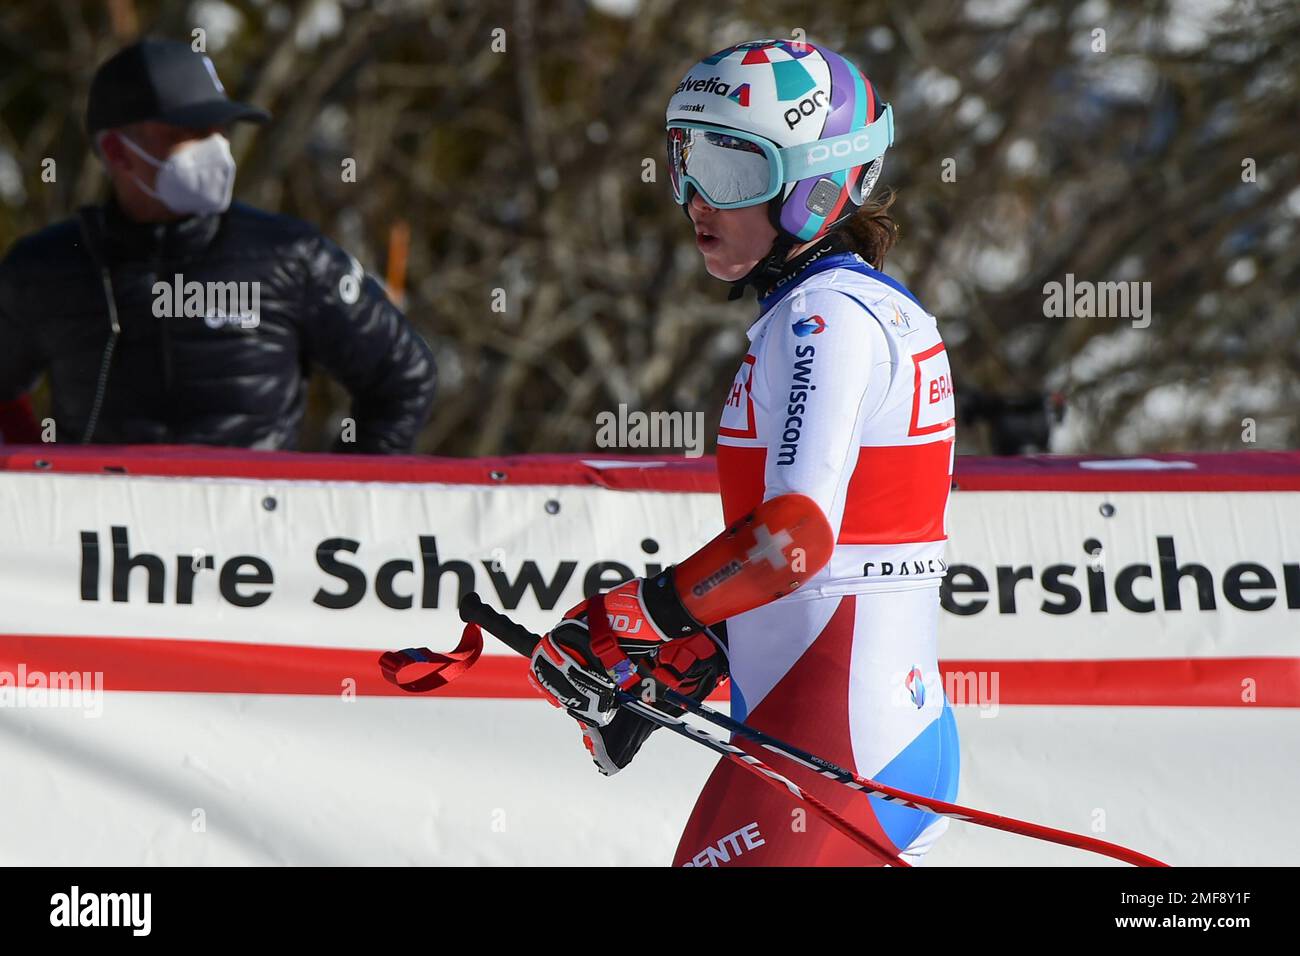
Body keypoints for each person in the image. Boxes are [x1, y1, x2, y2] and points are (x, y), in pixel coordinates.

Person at [526, 39, 959, 866]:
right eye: (685, 161)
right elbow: (862, 544)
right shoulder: (863, 311)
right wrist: (707, 643)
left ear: (817, 186)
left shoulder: (822, 322)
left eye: (732, 170)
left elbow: (795, 538)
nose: (694, 197)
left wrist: (637, 616)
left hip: (834, 741)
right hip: (867, 731)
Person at [0, 39, 436, 452]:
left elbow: (403, 378)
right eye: (188, 131)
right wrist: (33, 488)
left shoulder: (290, 255)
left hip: (258, 529)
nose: (216, 149)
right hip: (102, 530)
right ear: (117, 151)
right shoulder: (46, 268)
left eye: (219, 129)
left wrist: (333, 501)